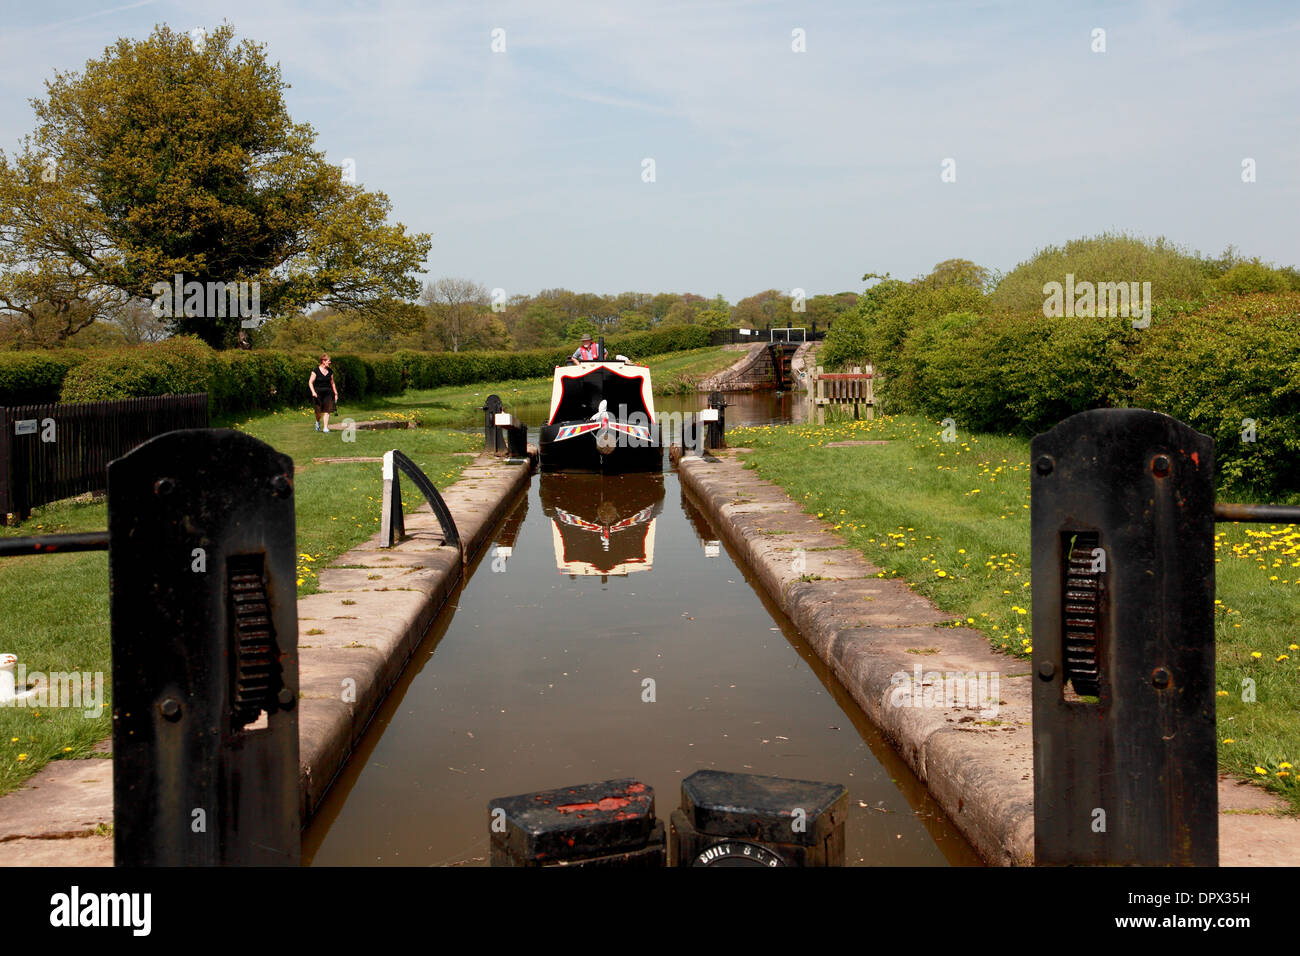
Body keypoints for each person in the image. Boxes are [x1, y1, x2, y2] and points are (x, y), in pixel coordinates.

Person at [309, 354, 339, 432]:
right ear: (323, 361)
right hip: (317, 393)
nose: (330, 363)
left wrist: (335, 393)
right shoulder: (315, 371)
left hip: (328, 393)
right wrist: (313, 392)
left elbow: (332, 383)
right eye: (328, 361)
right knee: (318, 412)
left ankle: (325, 428)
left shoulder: (330, 371)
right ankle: (318, 422)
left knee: (327, 410)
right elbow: (310, 382)